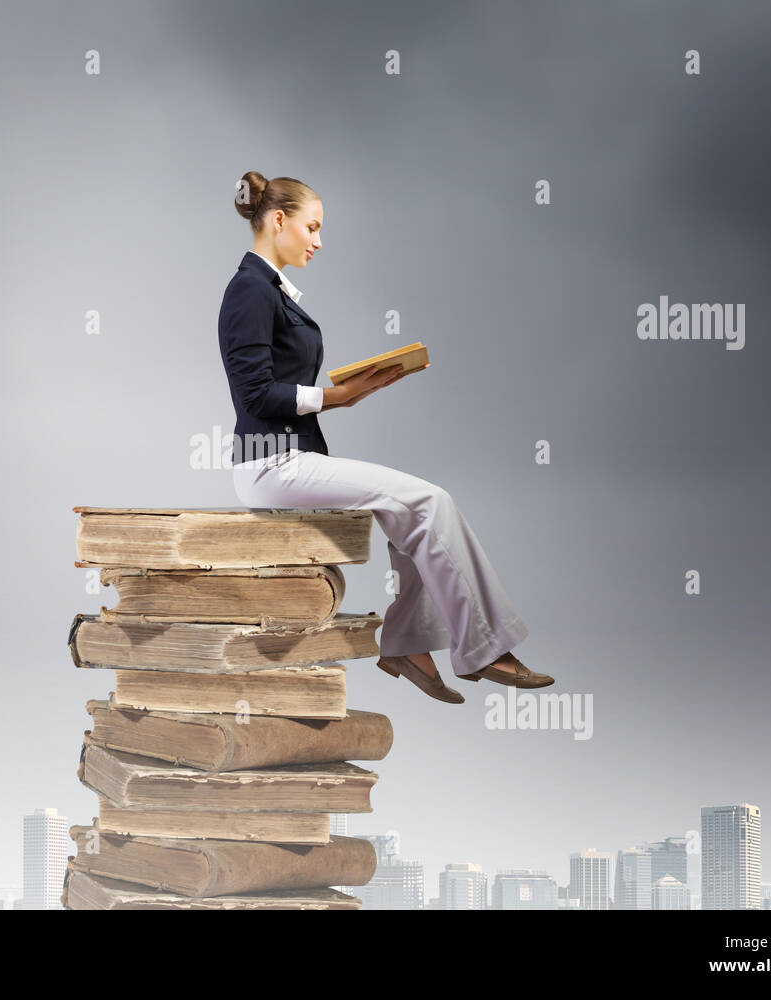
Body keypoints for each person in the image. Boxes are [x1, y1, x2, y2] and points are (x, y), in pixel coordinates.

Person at [218, 171, 553, 704]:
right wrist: (337, 397)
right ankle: (484, 648)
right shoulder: (249, 290)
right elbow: (255, 394)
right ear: (278, 220)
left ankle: (408, 645)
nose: (319, 241)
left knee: (408, 516)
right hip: (269, 465)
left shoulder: (270, 289)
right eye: (312, 227)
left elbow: (280, 385)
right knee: (429, 500)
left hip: (289, 459)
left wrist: (351, 390)